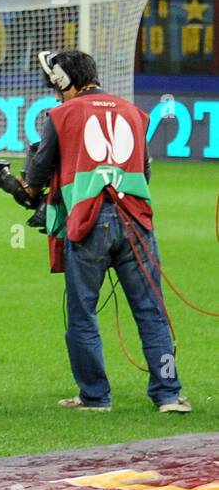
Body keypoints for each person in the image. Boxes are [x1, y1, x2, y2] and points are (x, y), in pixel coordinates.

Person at [21, 51, 189, 414]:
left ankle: (95, 397)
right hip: (136, 222)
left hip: (88, 222)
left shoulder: (60, 115)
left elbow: (34, 179)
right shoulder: (134, 113)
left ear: (66, 81)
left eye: (55, 85)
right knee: (151, 311)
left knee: (82, 313)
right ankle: (169, 395)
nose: (54, 93)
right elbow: (143, 173)